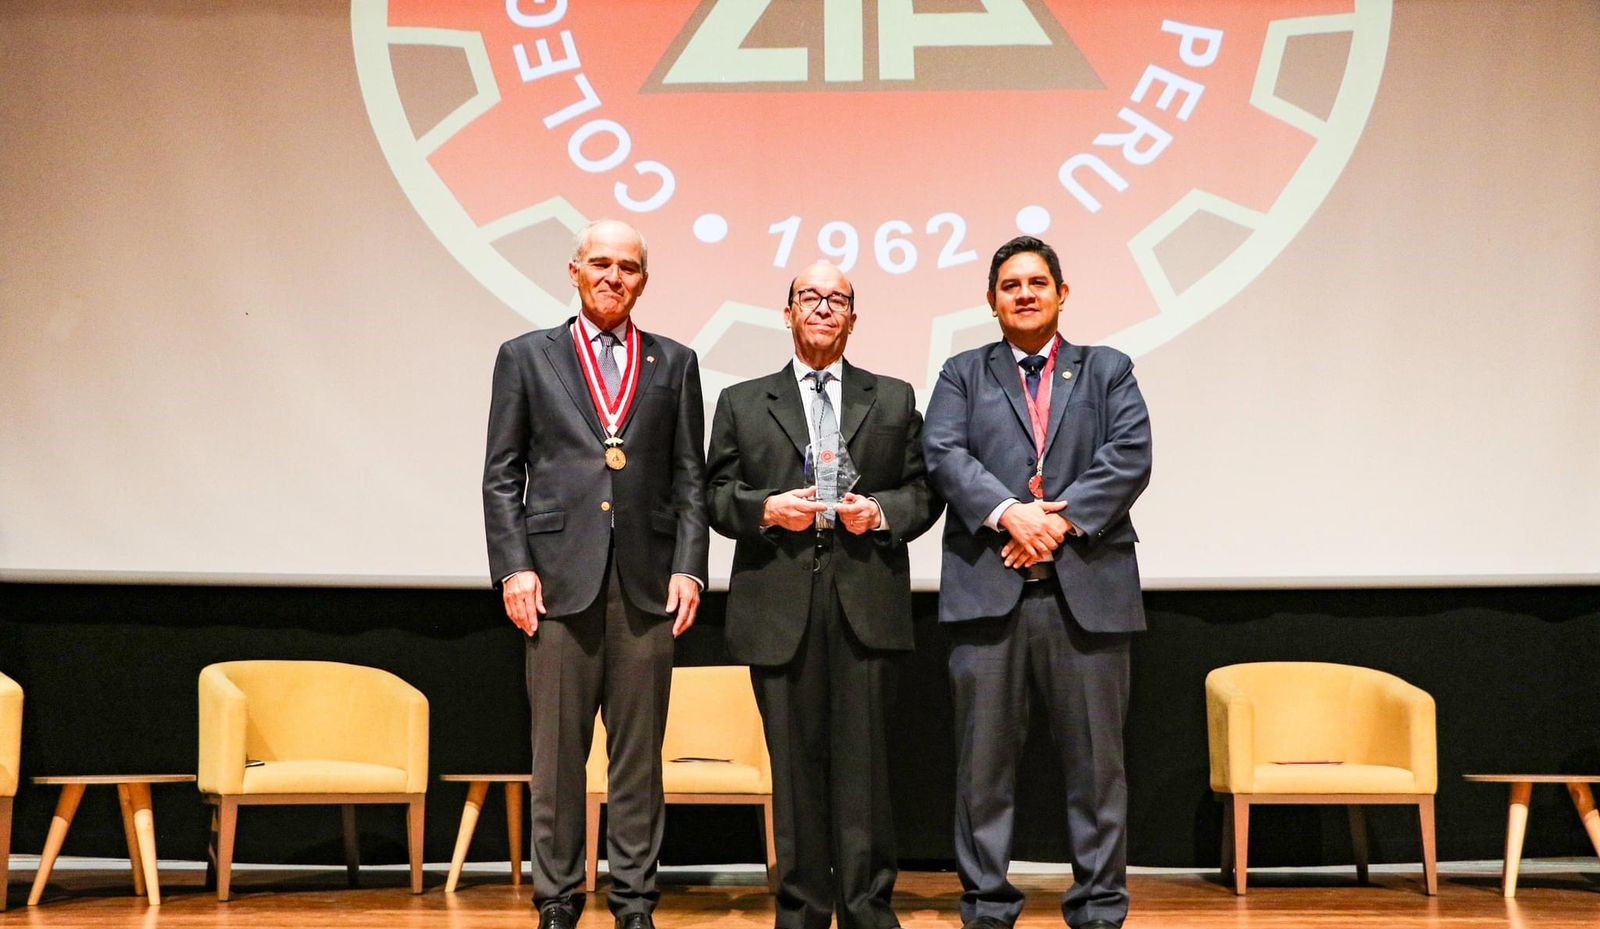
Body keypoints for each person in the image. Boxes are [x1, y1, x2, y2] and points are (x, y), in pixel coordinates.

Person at [482, 219, 709, 929]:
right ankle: (557, 897)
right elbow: (501, 476)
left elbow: (690, 479)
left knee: (638, 760)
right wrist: (514, 568)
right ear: (574, 270)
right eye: (601, 263)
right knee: (556, 757)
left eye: (629, 267)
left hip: (646, 583)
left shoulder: (675, 361)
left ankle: (635, 899)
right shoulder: (526, 356)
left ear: (645, 279)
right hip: (555, 583)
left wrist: (691, 568)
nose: (614, 277)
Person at [922, 236, 1152, 929]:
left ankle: (1100, 905)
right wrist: (1009, 515)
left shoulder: (1108, 369)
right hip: (988, 593)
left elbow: (1130, 455)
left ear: (1062, 293)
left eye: (1037, 282)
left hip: (1089, 594)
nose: (1024, 293)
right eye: (1010, 284)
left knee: (1097, 769)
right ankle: (987, 905)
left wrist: (1054, 525)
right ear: (991, 300)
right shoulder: (962, 373)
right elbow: (943, 452)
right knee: (983, 769)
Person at [706, 261, 942, 929]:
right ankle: (803, 908)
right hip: (778, 608)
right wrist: (767, 508)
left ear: (853, 317)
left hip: (865, 604)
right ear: (787, 312)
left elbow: (926, 492)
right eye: (810, 296)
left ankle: (868, 907)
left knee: (864, 769)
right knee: (796, 768)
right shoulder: (744, 401)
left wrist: (881, 510)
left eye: (837, 299)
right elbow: (713, 496)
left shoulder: (892, 398)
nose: (823, 307)